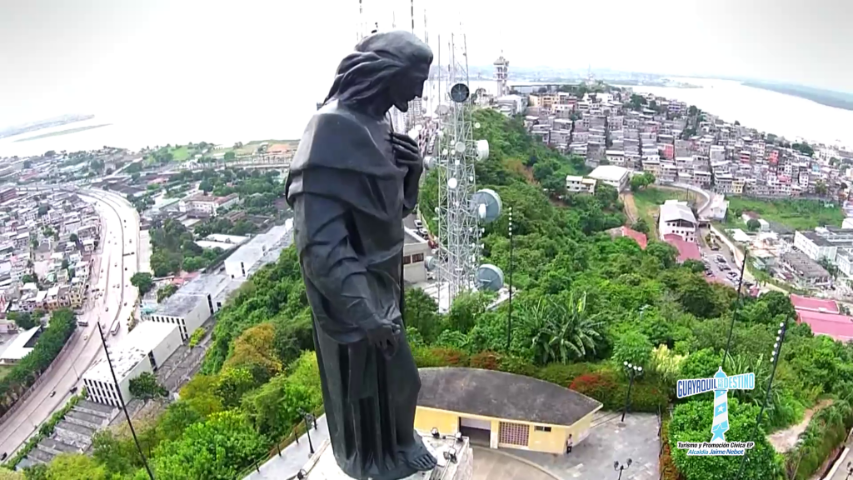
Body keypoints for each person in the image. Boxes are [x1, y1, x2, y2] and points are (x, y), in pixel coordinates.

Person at [287, 30, 435, 480]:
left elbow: (395, 214)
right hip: (351, 293)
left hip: (383, 283)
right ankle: (373, 458)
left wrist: (412, 172)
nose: (419, 92)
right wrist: (366, 314)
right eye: (415, 79)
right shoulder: (330, 130)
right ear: (384, 75)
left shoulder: (379, 123)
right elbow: (319, 243)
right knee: (382, 384)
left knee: (393, 382)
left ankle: (394, 448)